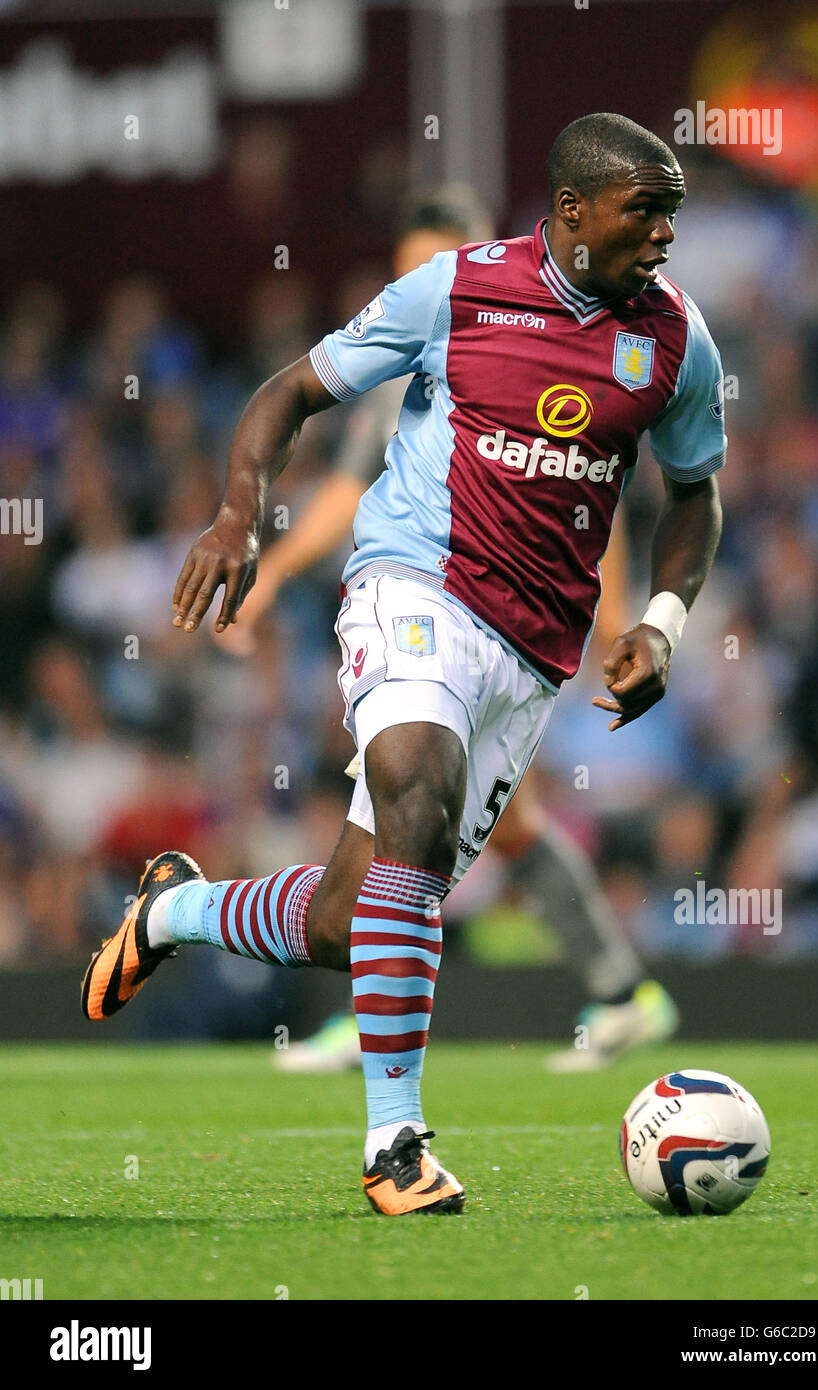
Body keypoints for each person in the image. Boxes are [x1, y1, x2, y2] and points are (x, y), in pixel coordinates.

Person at [82, 113, 725, 1217]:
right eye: (645, 210)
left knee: (351, 917)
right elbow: (288, 392)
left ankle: (173, 914)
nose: (664, 234)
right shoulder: (454, 291)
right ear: (570, 211)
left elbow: (692, 495)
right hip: (411, 585)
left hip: (532, 655)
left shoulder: (673, 338)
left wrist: (660, 618)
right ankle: (396, 1148)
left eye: (670, 213)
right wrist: (239, 516)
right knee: (416, 807)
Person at [224, 193, 679, 1076]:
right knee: (474, 820)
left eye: (432, 256)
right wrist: (272, 567)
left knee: (446, 817)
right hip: (433, 606)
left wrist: (624, 618)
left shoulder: (521, 341)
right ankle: (620, 991)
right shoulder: (405, 357)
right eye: (407, 258)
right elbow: (344, 494)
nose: (416, 277)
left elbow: (596, 500)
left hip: (515, 625)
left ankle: (382, 1005)